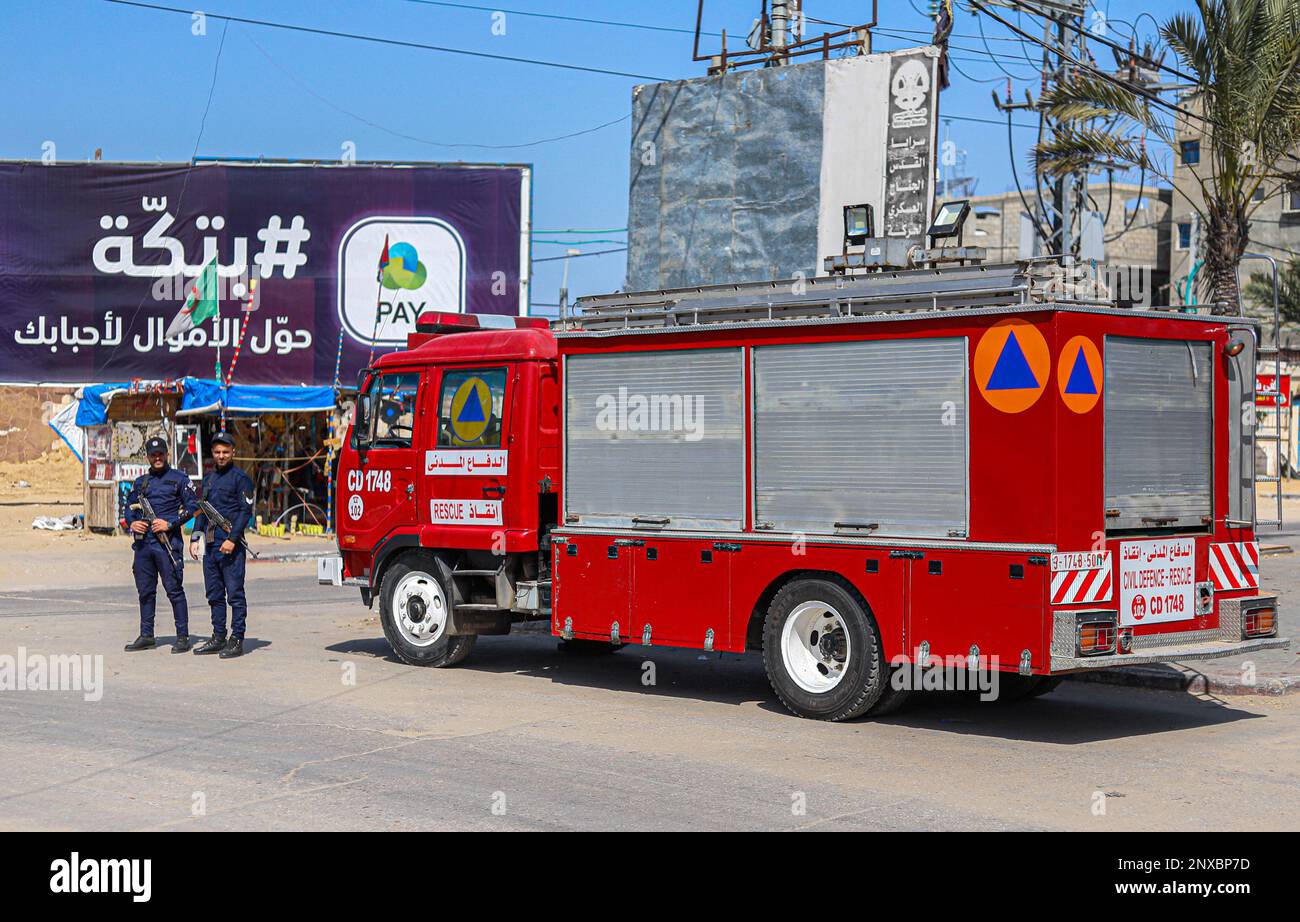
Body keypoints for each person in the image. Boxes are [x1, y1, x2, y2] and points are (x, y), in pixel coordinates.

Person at [124, 437, 199, 653]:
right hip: (144, 545)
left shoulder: (179, 479)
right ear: (148, 457)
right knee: (145, 591)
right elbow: (129, 506)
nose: (157, 458)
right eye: (153, 455)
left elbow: (193, 506)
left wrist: (170, 523)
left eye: (161, 454)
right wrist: (132, 522)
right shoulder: (141, 482)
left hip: (167, 543)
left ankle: (183, 636)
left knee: (174, 590)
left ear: (167, 455)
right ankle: (147, 635)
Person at [190, 432, 255, 659]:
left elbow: (245, 512)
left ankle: (237, 639)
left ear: (233, 452)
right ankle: (218, 636)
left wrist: (232, 539)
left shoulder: (241, 479)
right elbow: (202, 510)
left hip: (230, 545)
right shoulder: (208, 479)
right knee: (214, 594)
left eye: (225, 452)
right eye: (217, 452)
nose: (221, 456)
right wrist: (195, 537)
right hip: (210, 544)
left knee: (234, 594)